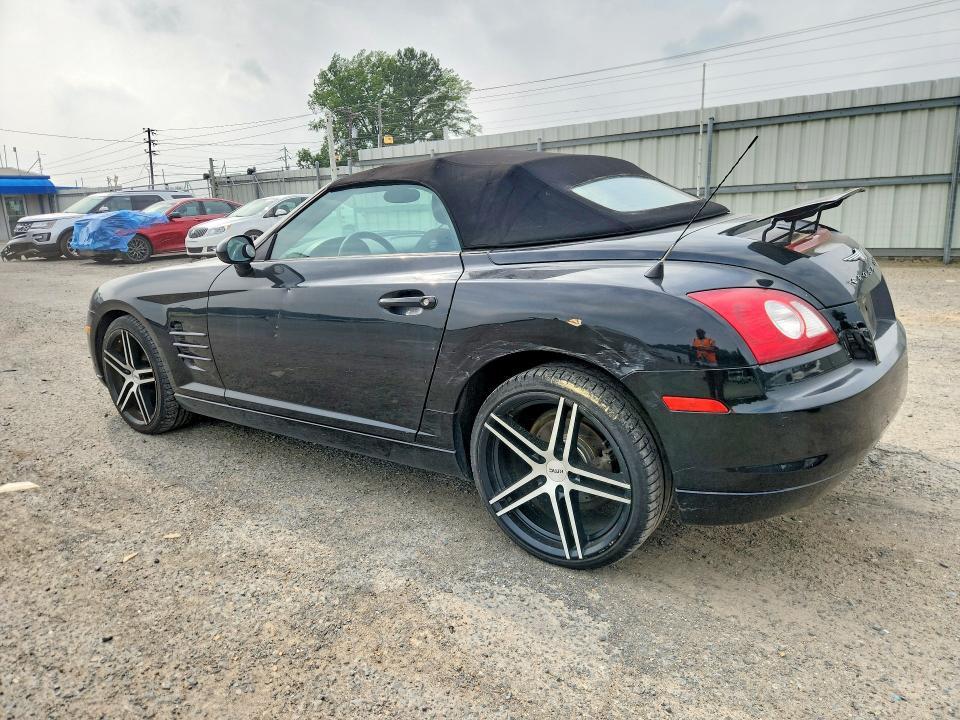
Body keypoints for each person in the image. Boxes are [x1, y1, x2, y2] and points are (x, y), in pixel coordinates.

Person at [693, 328, 725, 402]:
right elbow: (694, 349)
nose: (698, 334)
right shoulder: (695, 341)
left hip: (714, 365)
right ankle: (713, 400)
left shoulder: (710, 340)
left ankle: (722, 400)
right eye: (697, 333)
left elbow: (713, 349)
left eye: (700, 333)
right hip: (705, 365)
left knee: (718, 383)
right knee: (710, 384)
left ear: (704, 333)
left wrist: (702, 349)